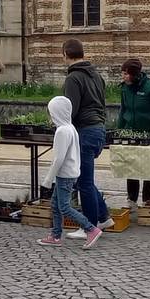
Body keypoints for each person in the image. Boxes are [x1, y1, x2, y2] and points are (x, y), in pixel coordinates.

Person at [38, 96, 101, 249]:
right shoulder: (71, 128)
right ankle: (55, 234)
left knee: (64, 207)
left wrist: (48, 179)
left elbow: (58, 159)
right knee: (55, 204)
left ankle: (90, 229)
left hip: (64, 174)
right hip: (70, 172)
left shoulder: (61, 131)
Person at [62, 39, 110, 230]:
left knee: (84, 183)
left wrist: (59, 125)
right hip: (99, 128)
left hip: (84, 131)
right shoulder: (96, 75)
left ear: (65, 54)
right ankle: (104, 216)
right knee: (84, 179)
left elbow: (70, 109)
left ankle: (89, 226)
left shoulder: (73, 78)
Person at [117, 58, 150, 207]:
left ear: (135, 74)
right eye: (123, 73)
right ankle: (131, 199)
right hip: (131, 133)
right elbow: (123, 110)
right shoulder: (125, 88)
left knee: (147, 166)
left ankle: (147, 199)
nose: (124, 77)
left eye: (126, 74)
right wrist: (120, 130)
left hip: (149, 134)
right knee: (131, 165)